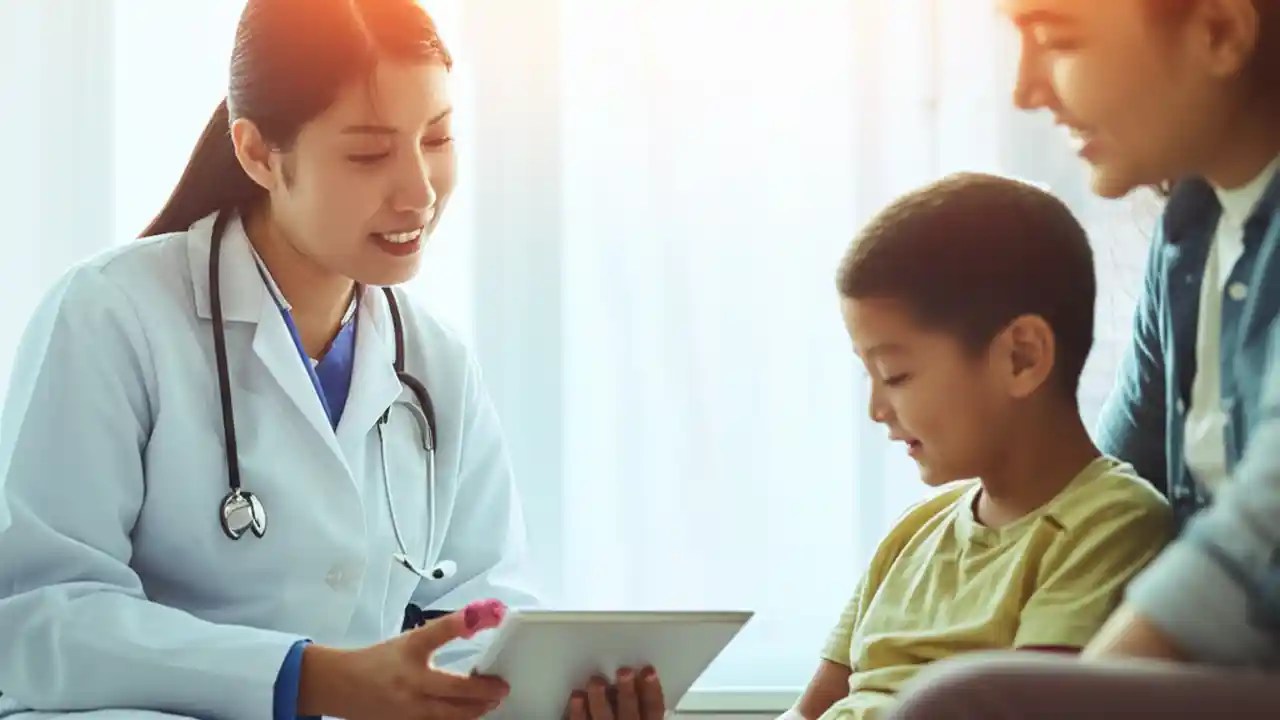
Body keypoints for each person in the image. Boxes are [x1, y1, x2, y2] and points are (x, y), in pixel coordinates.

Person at [0, 1, 663, 718]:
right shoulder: (112, 315)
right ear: (258, 153)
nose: (420, 191)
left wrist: (548, 697)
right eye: (369, 154)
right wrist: (306, 677)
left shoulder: (434, 364)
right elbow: (39, 618)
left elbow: (476, 618)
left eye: (437, 138)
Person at [886, 1, 1280, 718]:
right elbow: (1110, 495)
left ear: (1219, 32)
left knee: (964, 703)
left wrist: (1057, 694)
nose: (1026, 90)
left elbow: (1265, 522)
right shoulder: (1189, 241)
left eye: (1056, 41)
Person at [776, 173, 1173, 720]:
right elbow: (806, 713)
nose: (876, 409)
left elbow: (1023, 710)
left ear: (1021, 357)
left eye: (895, 375)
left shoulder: (1109, 525)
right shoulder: (915, 532)